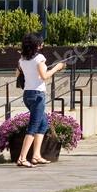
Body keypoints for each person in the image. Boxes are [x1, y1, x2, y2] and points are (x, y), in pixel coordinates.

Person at [15, 33, 65, 167]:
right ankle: (22, 158)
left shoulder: (22, 59)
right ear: (37, 45)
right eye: (41, 43)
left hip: (27, 95)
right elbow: (44, 76)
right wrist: (57, 67)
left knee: (43, 124)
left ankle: (36, 155)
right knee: (33, 126)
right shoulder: (40, 58)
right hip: (38, 95)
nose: (42, 45)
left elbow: (17, 73)